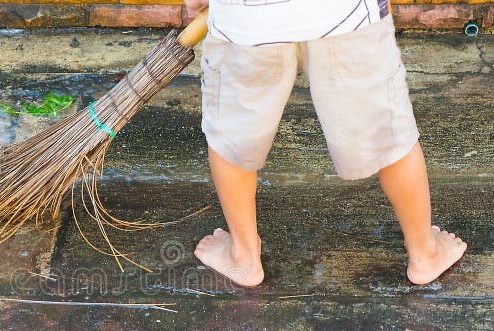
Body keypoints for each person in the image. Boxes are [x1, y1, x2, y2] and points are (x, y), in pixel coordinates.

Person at [186, 0, 467, 287]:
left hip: (247, 21)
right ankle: (424, 252)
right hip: (346, 15)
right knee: (388, 133)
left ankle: (243, 256)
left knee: (233, 137)